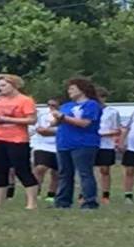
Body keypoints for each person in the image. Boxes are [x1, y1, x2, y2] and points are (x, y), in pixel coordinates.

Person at [0, 74, 40, 210]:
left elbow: (31, 120)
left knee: (22, 169)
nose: (1, 89)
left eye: (4, 85)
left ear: (14, 84)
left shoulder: (25, 100)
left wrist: (8, 120)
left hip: (18, 140)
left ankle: (31, 202)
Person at [52, 78, 103, 209]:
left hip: (84, 143)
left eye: (72, 88)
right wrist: (56, 119)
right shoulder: (66, 106)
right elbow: (57, 122)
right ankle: (63, 201)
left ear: (82, 89)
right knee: (64, 173)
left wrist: (63, 117)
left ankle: (89, 201)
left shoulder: (91, 105)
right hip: (64, 142)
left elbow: (85, 123)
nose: (69, 91)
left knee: (84, 173)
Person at [31, 98, 60, 203]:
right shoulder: (42, 115)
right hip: (42, 145)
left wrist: (49, 131)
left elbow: (63, 131)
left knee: (56, 173)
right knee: (40, 168)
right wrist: (52, 131)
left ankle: (51, 194)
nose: (51, 107)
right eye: (49, 104)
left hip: (59, 146)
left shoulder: (64, 115)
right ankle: (36, 192)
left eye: (54, 105)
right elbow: (40, 130)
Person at [96, 87, 121, 205]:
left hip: (106, 144)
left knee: (105, 169)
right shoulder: (89, 110)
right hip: (91, 143)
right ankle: (85, 193)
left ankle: (105, 194)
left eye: (101, 97)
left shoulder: (112, 112)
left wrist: (103, 134)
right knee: (88, 170)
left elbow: (117, 130)